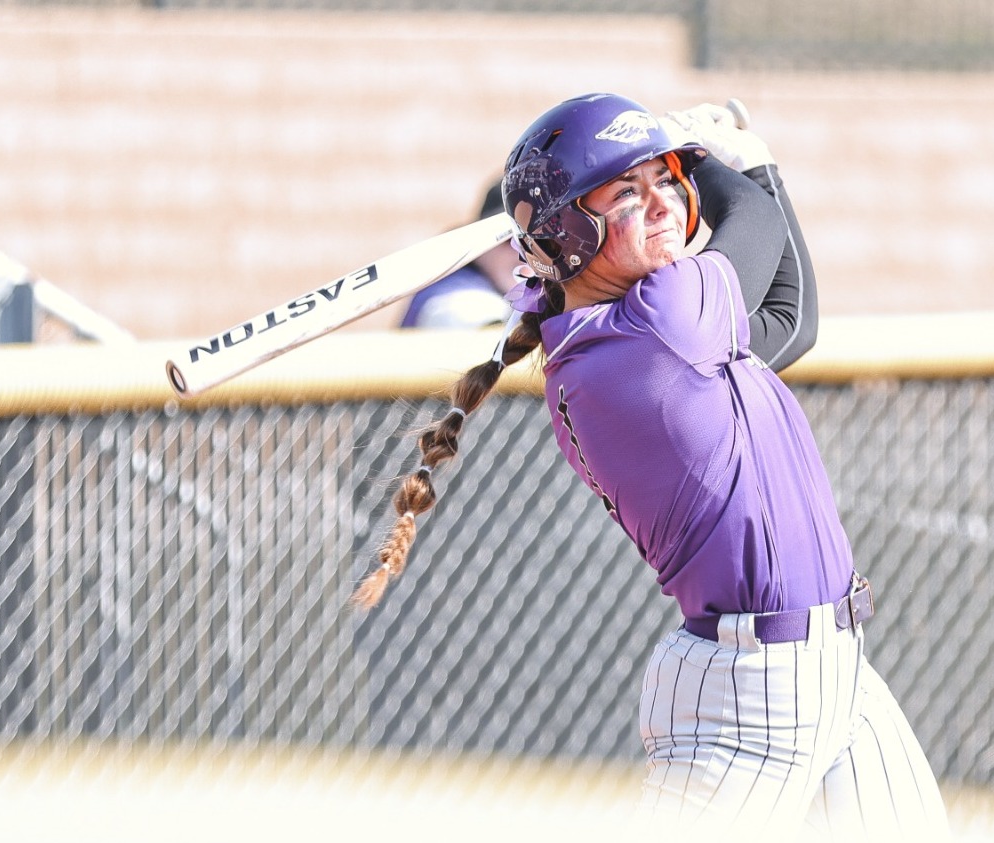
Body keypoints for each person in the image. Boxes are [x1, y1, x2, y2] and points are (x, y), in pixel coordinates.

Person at [354, 93, 951, 838]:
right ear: (567, 233)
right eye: (628, 193)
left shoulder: (651, 333)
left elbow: (792, 322)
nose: (665, 202)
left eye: (666, 181)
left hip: (837, 667)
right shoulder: (655, 331)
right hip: (751, 695)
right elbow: (754, 222)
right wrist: (701, 153)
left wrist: (746, 161)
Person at [398, 179, 522, 329]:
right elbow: (457, 313)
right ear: (481, 246)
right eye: (510, 239)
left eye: (538, 240)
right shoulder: (447, 286)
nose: (526, 253)